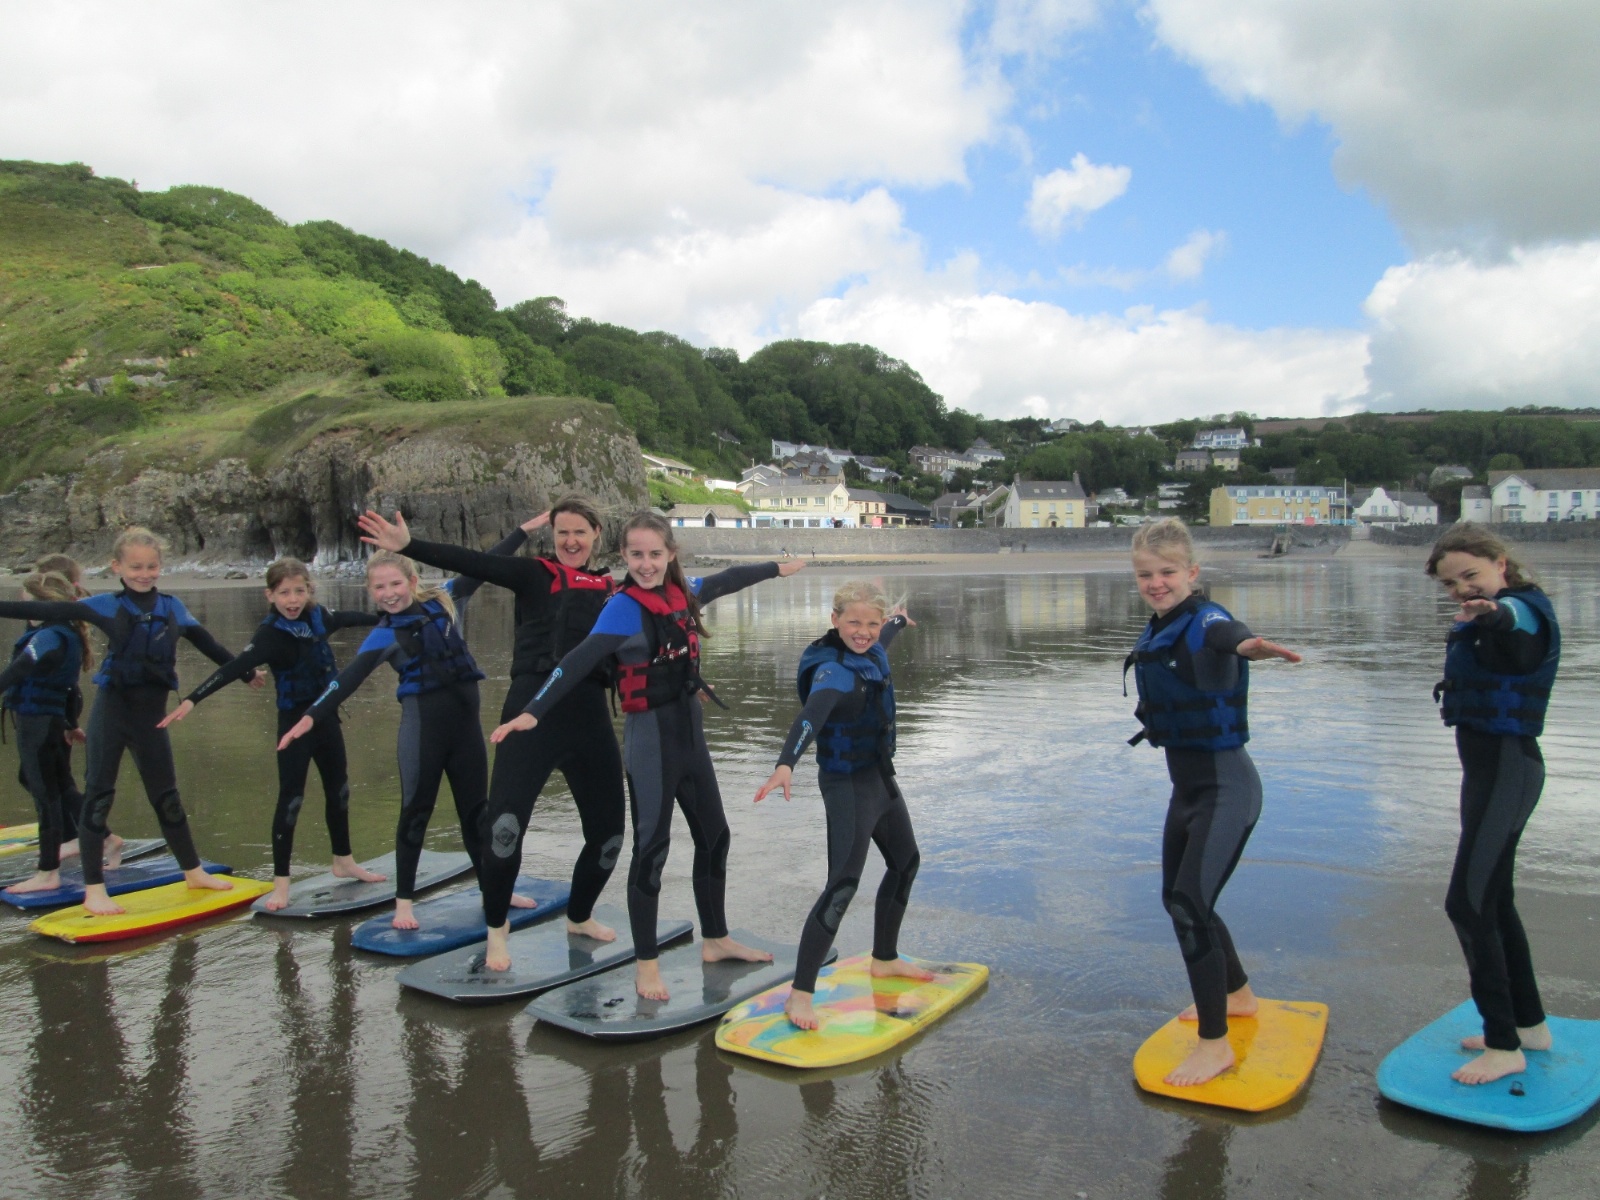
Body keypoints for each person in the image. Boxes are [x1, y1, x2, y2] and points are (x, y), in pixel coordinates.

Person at [491, 512, 804, 998]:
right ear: (623, 556)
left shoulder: (685, 590)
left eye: (654, 554)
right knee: (652, 852)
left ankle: (716, 938)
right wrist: (533, 711)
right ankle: (646, 964)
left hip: (690, 737)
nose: (645, 563)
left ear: (670, 554)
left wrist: (774, 568)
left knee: (715, 837)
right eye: (635, 554)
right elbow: (576, 662)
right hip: (650, 741)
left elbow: (727, 580)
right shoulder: (622, 608)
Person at [356, 499, 625, 971]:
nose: (571, 541)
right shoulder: (533, 575)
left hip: (590, 717)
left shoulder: (614, 592)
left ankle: (579, 916)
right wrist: (409, 545)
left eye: (580, 532)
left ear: (597, 534)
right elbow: (472, 563)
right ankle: (496, 933)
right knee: (503, 830)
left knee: (608, 837)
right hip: (528, 712)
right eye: (563, 532)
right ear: (553, 536)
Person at [1124, 518, 1301, 1087]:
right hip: (1189, 791)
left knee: (1189, 903)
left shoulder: (1208, 619)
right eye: (1146, 574)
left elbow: (1230, 636)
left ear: (1193, 573)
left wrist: (1251, 646)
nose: (1156, 583)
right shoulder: (1162, 625)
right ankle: (1239, 995)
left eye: (1167, 572)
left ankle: (1215, 1044)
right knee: (1179, 900)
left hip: (1228, 790)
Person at [0, 527, 251, 915]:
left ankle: (193, 870)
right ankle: (95, 889)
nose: (145, 573)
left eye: (152, 566)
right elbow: (48, 610)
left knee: (166, 797)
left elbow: (212, 647)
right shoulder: (106, 605)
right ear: (117, 566)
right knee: (98, 797)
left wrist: (248, 673)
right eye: (136, 566)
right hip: (112, 713)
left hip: (152, 719)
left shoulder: (174, 608)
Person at [157, 558, 386, 911]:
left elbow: (351, 619)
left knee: (338, 791)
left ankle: (343, 860)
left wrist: (392, 619)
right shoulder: (269, 634)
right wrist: (192, 700)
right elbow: (234, 667)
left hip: (325, 718)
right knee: (291, 800)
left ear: (308, 590)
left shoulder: (319, 616)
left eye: (298, 591)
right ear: (270, 595)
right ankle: (281, 884)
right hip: (293, 724)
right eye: (283, 593)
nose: (292, 600)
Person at [753, 580, 932, 1029]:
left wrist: (895, 622)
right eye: (853, 622)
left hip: (878, 778)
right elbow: (811, 714)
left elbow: (882, 637)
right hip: (847, 787)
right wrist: (785, 763)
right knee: (842, 886)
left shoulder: (873, 646)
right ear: (834, 620)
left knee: (906, 861)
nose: (864, 632)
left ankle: (885, 959)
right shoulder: (832, 671)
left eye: (871, 623)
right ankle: (800, 994)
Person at [278, 550, 486, 931]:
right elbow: (348, 678)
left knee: (477, 815)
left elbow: (485, 565)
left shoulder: (446, 599)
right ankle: (403, 904)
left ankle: (494, 893)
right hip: (424, 734)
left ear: (411, 580)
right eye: (379, 587)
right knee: (415, 813)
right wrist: (311, 716)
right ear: (371, 591)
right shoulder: (385, 633)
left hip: (467, 731)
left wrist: (526, 530)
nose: (389, 593)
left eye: (395, 583)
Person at [1426, 524, 1559, 1085]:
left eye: (1469, 576)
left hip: (1507, 771)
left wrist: (1491, 610)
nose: (1461, 590)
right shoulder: (1489, 609)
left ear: (1500, 563)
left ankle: (1504, 1047)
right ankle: (1528, 1025)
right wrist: (1480, 610)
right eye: (1451, 583)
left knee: (1469, 904)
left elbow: (1515, 623)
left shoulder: (1521, 609)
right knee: (1495, 902)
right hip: (1489, 775)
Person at [4, 554, 112, 872]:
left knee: (48, 791)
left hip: (41, 720)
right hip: (48, 718)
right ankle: (83, 839)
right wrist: (68, 722)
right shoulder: (61, 628)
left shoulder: (50, 634)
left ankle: (52, 866)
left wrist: (67, 721)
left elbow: (21, 668)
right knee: (45, 782)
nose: (26, 612)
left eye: (28, 605)